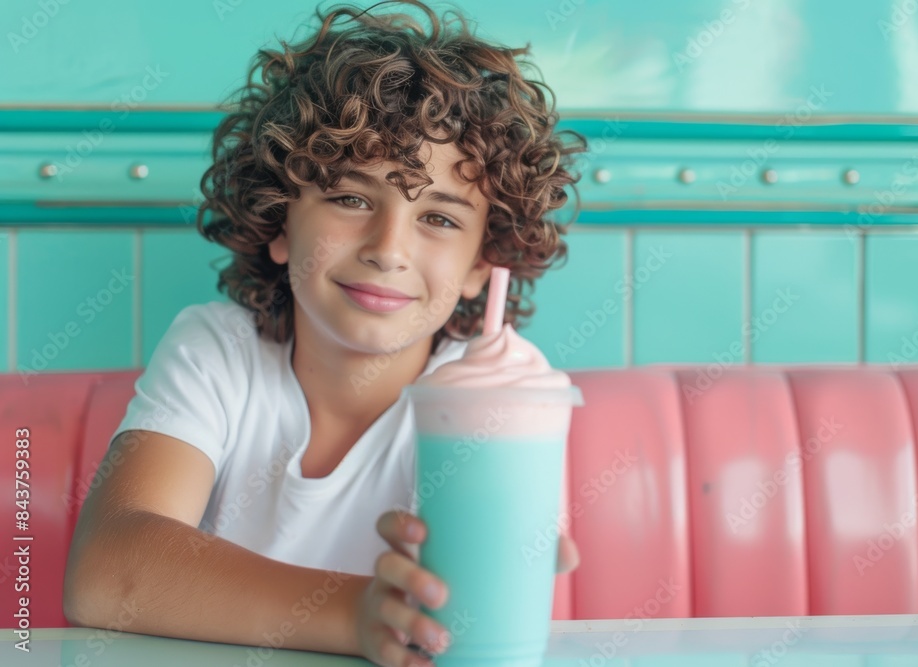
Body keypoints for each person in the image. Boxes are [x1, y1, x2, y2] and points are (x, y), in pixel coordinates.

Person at [63, 1, 586, 665]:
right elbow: (107, 569)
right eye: (352, 198)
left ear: (485, 264)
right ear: (281, 222)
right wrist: (353, 612)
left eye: (442, 220)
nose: (388, 248)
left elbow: (483, 624)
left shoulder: (499, 389)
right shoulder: (218, 352)